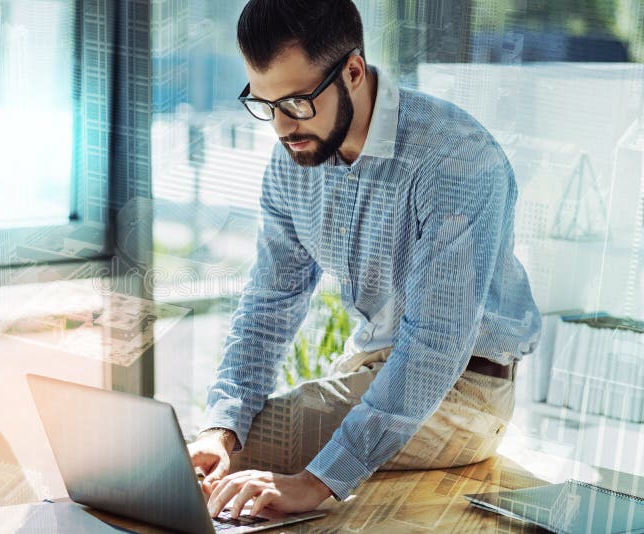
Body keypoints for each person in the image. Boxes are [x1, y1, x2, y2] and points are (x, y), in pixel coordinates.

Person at [187, 0, 541, 520]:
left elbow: (434, 347)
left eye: (298, 101)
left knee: (223, 469)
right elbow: (268, 305)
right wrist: (222, 427)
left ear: (353, 70)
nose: (282, 127)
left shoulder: (454, 159)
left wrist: (316, 483)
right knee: (208, 458)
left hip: (465, 392)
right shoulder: (294, 160)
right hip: (370, 371)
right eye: (264, 104)